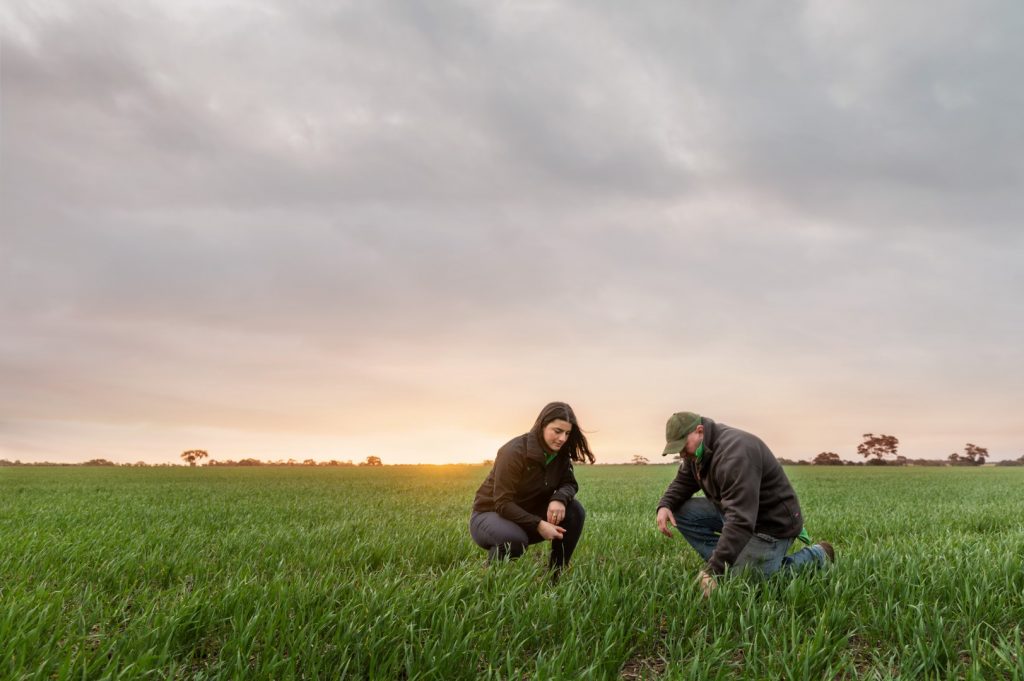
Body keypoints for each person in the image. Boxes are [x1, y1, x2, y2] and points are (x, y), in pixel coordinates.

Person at [655, 412, 834, 596]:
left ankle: (817, 555)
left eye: (683, 446)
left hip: (770, 525)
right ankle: (731, 560)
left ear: (699, 431)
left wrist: (713, 571)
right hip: (737, 513)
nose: (682, 453)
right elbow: (684, 480)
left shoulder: (735, 454)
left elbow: (740, 520)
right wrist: (665, 504)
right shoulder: (697, 453)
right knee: (680, 511)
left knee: (747, 584)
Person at [470, 402, 594, 576]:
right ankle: (489, 579)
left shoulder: (560, 454)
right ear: (542, 425)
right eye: (557, 431)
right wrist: (538, 524)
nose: (562, 439)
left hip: (526, 514)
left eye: (567, 433)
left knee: (575, 511)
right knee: (513, 540)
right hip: (490, 515)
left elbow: (570, 483)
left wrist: (559, 498)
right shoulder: (513, 452)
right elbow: (502, 503)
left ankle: (555, 575)